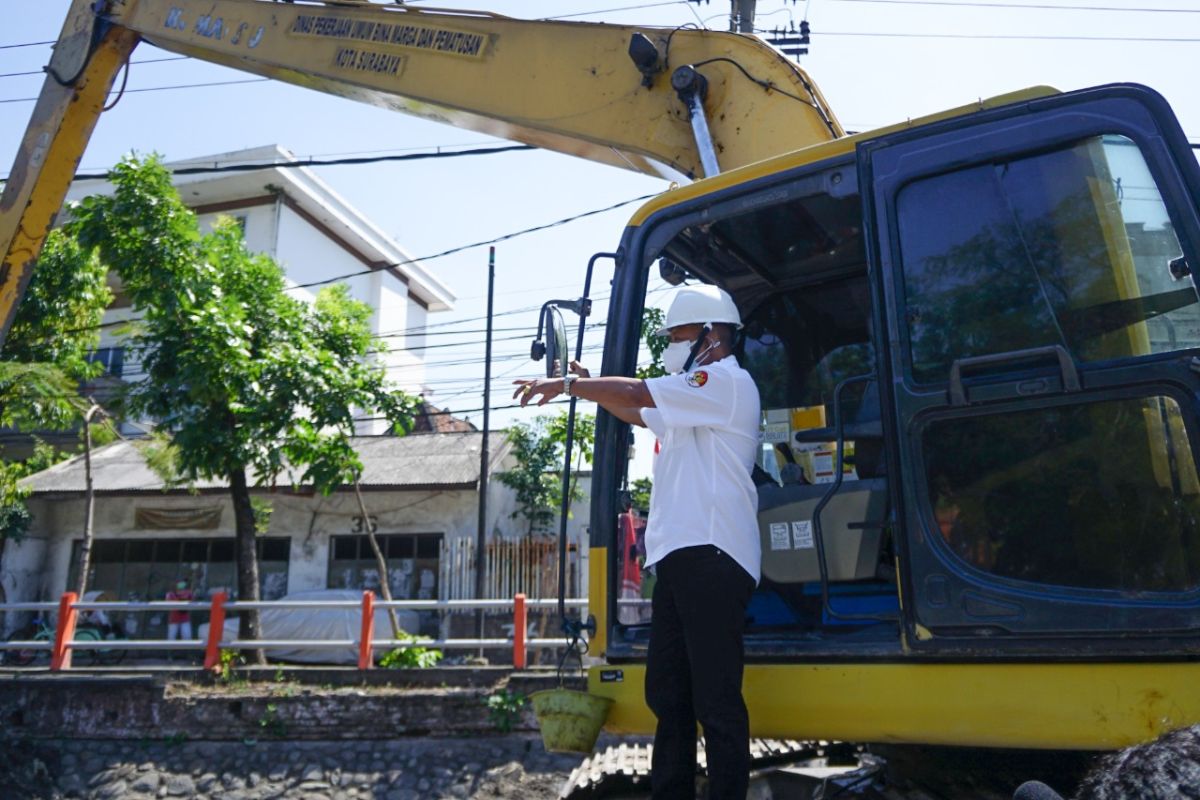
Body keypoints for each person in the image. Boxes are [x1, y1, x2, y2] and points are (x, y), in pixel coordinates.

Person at [515, 284, 761, 800]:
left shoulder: (723, 382)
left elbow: (637, 395)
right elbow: (635, 411)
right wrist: (590, 386)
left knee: (715, 700)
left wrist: (567, 385)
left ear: (712, 336)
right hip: (679, 559)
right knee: (669, 694)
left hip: (714, 554)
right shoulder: (691, 397)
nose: (672, 346)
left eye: (679, 337)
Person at [165, 580, 194, 655]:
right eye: (179, 588)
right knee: (171, 638)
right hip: (173, 619)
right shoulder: (170, 594)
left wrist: (187, 596)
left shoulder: (188, 593)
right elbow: (168, 602)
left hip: (185, 619)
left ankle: (189, 655)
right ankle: (170, 655)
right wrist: (179, 599)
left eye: (183, 588)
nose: (181, 590)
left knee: (187, 636)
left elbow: (192, 600)